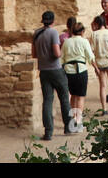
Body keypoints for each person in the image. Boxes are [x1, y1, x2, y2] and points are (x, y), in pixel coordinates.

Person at [32, 11, 70, 141]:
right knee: (64, 97)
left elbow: (34, 54)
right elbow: (56, 53)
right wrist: (62, 46)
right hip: (55, 69)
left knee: (47, 100)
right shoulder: (53, 33)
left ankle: (48, 132)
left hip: (43, 70)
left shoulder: (37, 33)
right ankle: (68, 126)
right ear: (53, 21)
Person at [61, 21, 96, 133]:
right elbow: (90, 57)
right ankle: (79, 122)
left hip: (69, 71)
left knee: (73, 96)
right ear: (82, 31)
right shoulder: (84, 41)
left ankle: (72, 122)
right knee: (80, 97)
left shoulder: (66, 42)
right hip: (81, 70)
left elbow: (62, 59)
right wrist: (96, 68)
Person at [90, 16, 108, 113]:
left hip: (99, 62)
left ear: (97, 24)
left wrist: (94, 65)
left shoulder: (94, 34)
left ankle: (104, 109)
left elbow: (92, 51)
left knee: (102, 86)